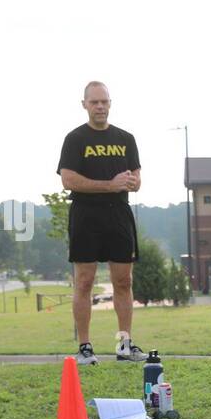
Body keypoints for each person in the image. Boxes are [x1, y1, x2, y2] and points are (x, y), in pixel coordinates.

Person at [57, 81, 148, 365]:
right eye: (94, 102)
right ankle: (85, 347)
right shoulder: (75, 139)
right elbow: (68, 180)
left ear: (110, 103)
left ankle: (124, 344)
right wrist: (109, 185)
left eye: (104, 102)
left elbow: (137, 181)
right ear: (84, 104)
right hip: (85, 215)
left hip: (119, 214)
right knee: (84, 282)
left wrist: (131, 182)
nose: (100, 107)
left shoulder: (126, 139)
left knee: (123, 281)